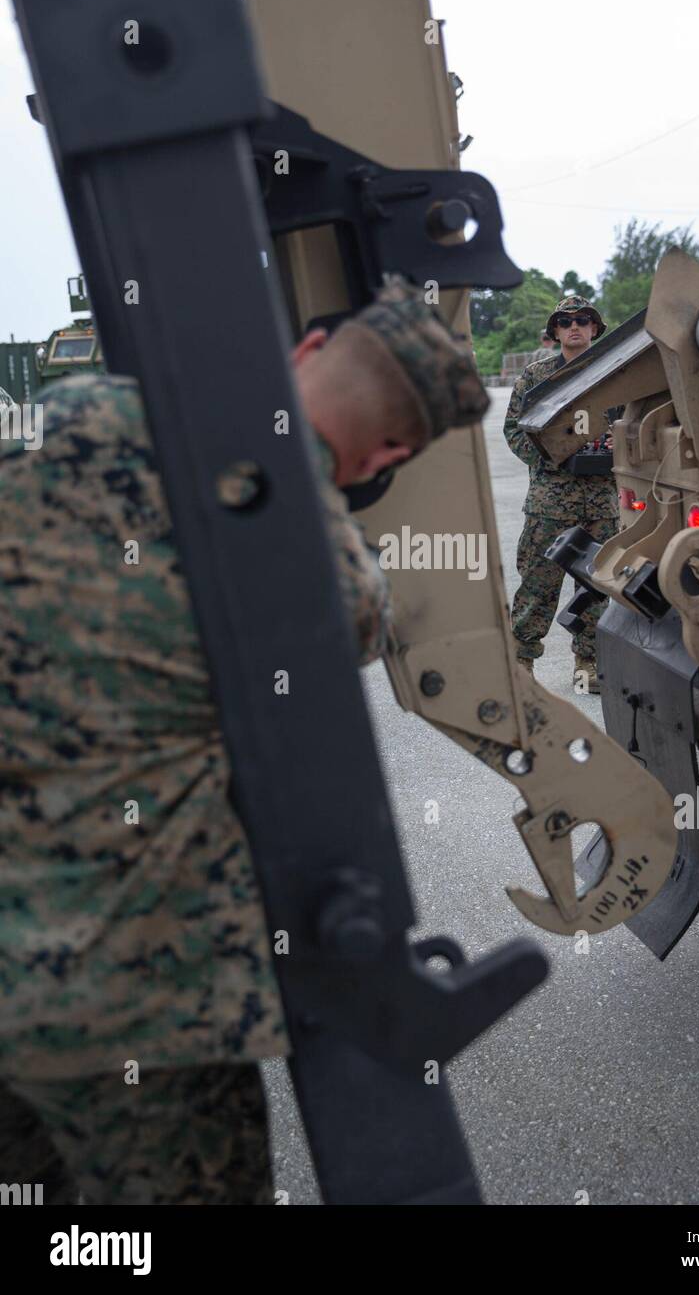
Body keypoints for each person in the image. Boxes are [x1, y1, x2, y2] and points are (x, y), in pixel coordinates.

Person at [0, 278, 488, 1205]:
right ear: (390, 451)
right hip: (128, 1008)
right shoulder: (334, 581)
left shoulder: (87, 417)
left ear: (304, 353)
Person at [503, 294, 619, 692]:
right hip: (550, 500)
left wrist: (617, 453)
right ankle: (521, 660)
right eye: (566, 321)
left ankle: (587, 662)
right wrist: (549, 460)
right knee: (538, 582)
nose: (575, 326)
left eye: (583, 320)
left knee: (596, 586)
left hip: (601, 498)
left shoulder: (615, 372)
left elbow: (633, 424)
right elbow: (514, 430)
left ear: (594, 329)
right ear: (555, 330)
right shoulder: (537, 376)